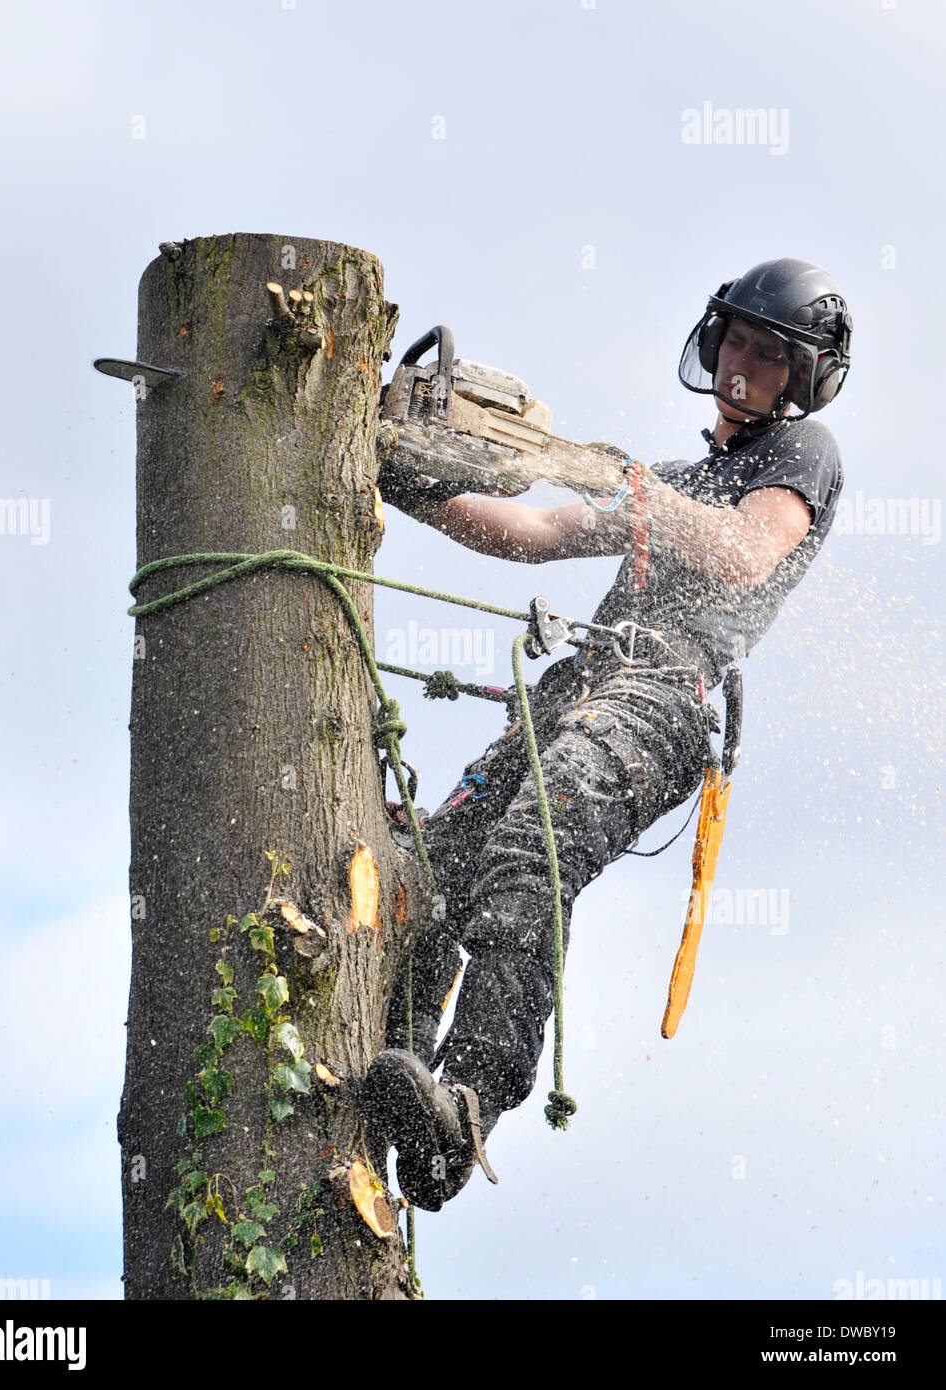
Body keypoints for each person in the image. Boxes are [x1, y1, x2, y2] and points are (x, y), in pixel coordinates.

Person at [365, 257, 852, 1211]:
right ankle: (400, 1089)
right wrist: (396, 477)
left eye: (768, 354)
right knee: (425, 869)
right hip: (572, 688)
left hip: (662, 698)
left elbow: (746, 553)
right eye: (737, 343)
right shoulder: (667, 480)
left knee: (528, 851)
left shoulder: (800, 457)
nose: (744, 365)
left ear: (803, 378)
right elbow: (531, 531)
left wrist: (628, 484)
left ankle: (464, 1110)